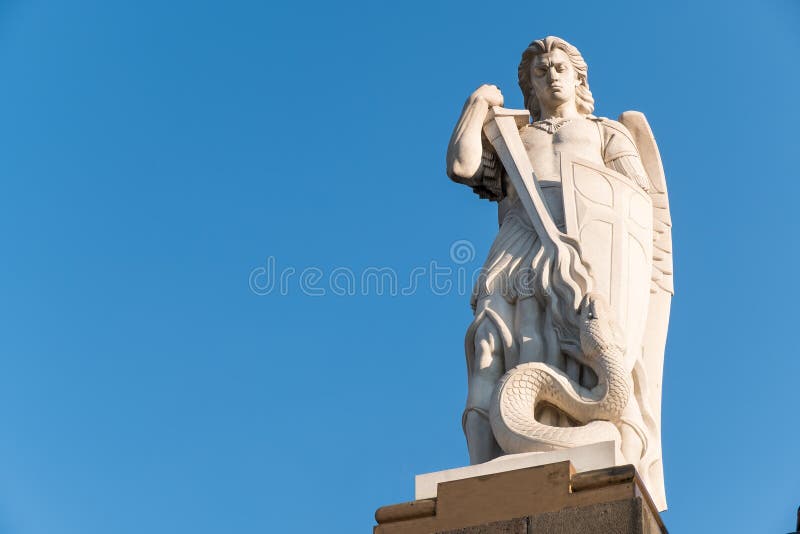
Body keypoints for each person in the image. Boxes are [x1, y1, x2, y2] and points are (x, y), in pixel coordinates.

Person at [446, 36, 652, 466]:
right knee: (490, 343)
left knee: (593, 342)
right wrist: (477, 104)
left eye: (560, 68)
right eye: (540, 72)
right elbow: (462, 167)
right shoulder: (512, 138)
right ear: (530, 87)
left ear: (579, 79)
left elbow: (636, 204)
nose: (551, 76)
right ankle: (484, 467)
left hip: (586, 245)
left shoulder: (605, 132)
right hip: (519, 237)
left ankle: (612, 450)